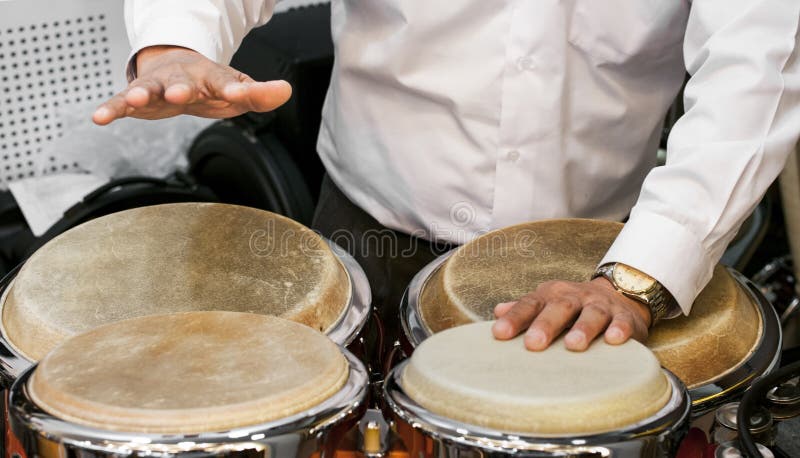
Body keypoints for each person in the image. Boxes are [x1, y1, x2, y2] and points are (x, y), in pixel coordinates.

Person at [95, 1, 800, 352]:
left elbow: (756, 64)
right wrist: (174, 43)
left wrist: (643, 271)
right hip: (369, 237)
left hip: (598, 262)